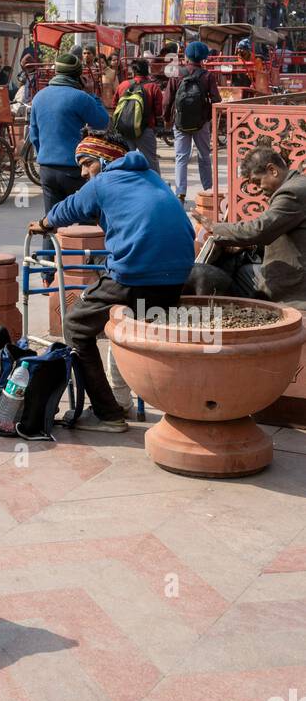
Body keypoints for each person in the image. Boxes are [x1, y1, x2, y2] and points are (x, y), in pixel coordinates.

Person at [36, 129, 196, 432]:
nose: (84, 172)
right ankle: (126, 399)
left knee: (76, 325)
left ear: (104, 159)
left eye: (87, 163)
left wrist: (42, 224)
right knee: (130, 322)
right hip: (176, 276)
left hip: (137, 272)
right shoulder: (151, 177)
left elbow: (67, 210)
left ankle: (107, 414)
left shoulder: (104, 182)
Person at [189, 147, 306, 302]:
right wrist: (248, 246)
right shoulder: (297, 185)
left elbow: (260, 229)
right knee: (242, 269)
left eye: (258, 182)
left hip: (297, 280)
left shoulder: (292, 193)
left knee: (233, 275)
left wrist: (214, 227)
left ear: (273, 170)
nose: (259, 189)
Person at [28, 49, 109, 269]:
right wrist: (93, 95)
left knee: (50, 220)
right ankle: (85, 272)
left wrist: (45, 155)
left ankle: (47, 274)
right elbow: (102, 122)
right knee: (86, 220)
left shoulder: (39, 97)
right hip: (75, 170)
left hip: (47, 169)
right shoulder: (80, 97)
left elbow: (33, 135)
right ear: (77, 76)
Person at [163, 40, 221, 205]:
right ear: (203, 57)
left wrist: (167, 118)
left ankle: (180, 193)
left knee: (181, 157)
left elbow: (167, 100)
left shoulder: (177, 73)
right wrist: (208, 117)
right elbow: (216, 99)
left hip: (180, 122)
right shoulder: (207, 76)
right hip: (201, 123)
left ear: (187, 55)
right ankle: (208, 191)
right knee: (204, 156)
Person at [112, 57, 164, 172]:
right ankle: (155, 187)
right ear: (147, 70)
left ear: (133, 71)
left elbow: (114, 105)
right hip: (145, 130)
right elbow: (159, 111)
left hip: (124, 130)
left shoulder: (123, 85)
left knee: (125, 162)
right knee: (151, 162)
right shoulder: (153, 87)